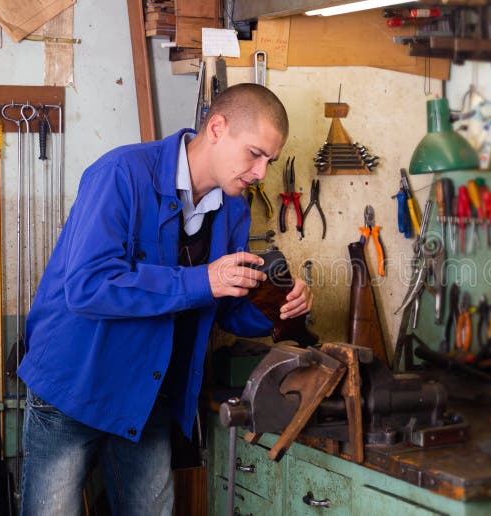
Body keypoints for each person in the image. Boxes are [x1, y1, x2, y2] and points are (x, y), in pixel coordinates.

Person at [17, 83, 311, 515]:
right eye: (255, 154)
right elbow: (87, 286)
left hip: (148, 396)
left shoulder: (233, 210)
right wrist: (201, 281)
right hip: (73, 389)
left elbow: (224, 305)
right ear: (217, 127)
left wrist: (276, 309)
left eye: (270, 160)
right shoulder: (121, 174)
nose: (261, 172)